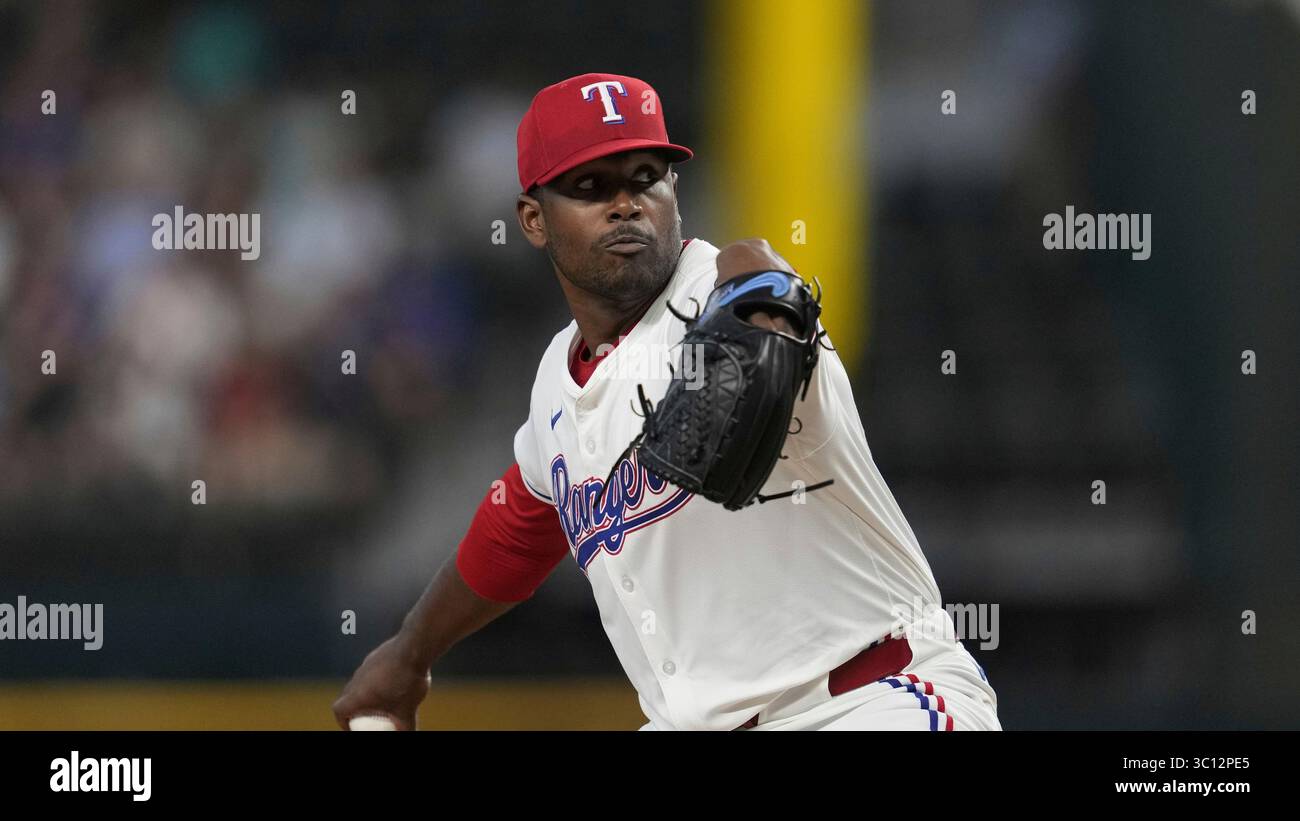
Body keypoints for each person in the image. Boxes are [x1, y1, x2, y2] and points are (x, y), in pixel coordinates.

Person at [333, 73, 1001, 731]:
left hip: (865, 701)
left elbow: (762, 286)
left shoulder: (725, 297)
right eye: (591, 187)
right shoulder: (554, 382)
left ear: (674, 190)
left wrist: (766, 288)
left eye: (646, 176)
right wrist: (407, 653)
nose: (626, 203)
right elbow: (518, 524)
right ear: (533, 219)